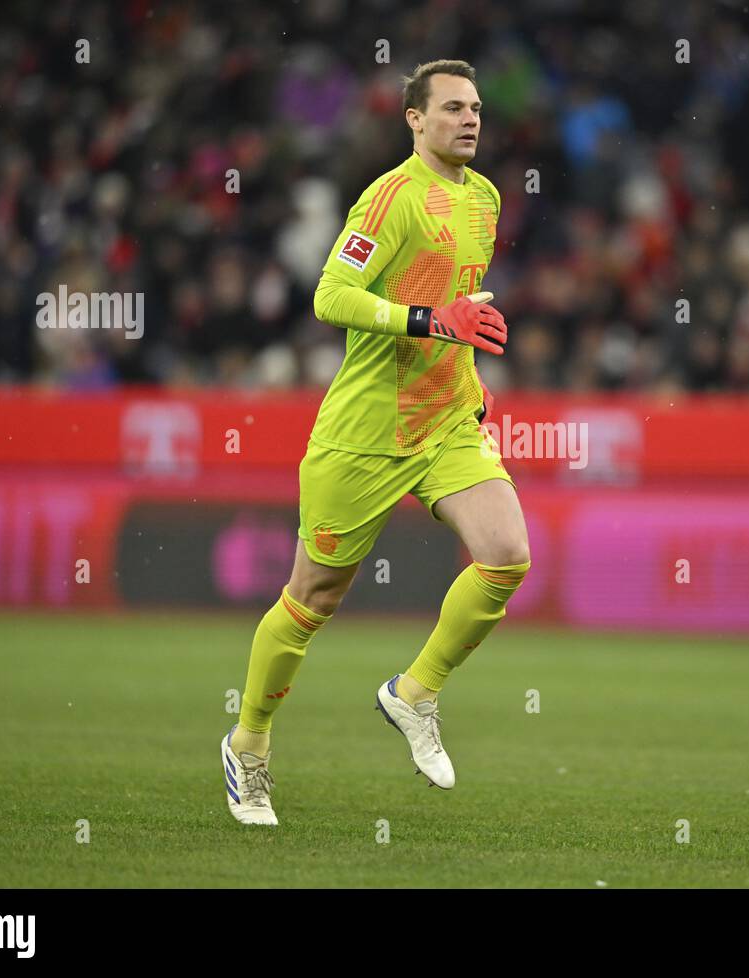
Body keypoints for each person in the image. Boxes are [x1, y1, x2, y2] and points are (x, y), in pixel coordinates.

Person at [220, 59, 531, 825]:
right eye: (452, 107)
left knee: (506, 555)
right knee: (312, 599)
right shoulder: (390, 198)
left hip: (446, 419)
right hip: (364, 432)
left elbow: (459, 305)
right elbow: (332, 296)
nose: (469, 119)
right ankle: (248, 746)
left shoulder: (486, 200)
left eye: (476, 108)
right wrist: (428, 323)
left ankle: (414, 693)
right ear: (414, 120)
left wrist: (467, 373)